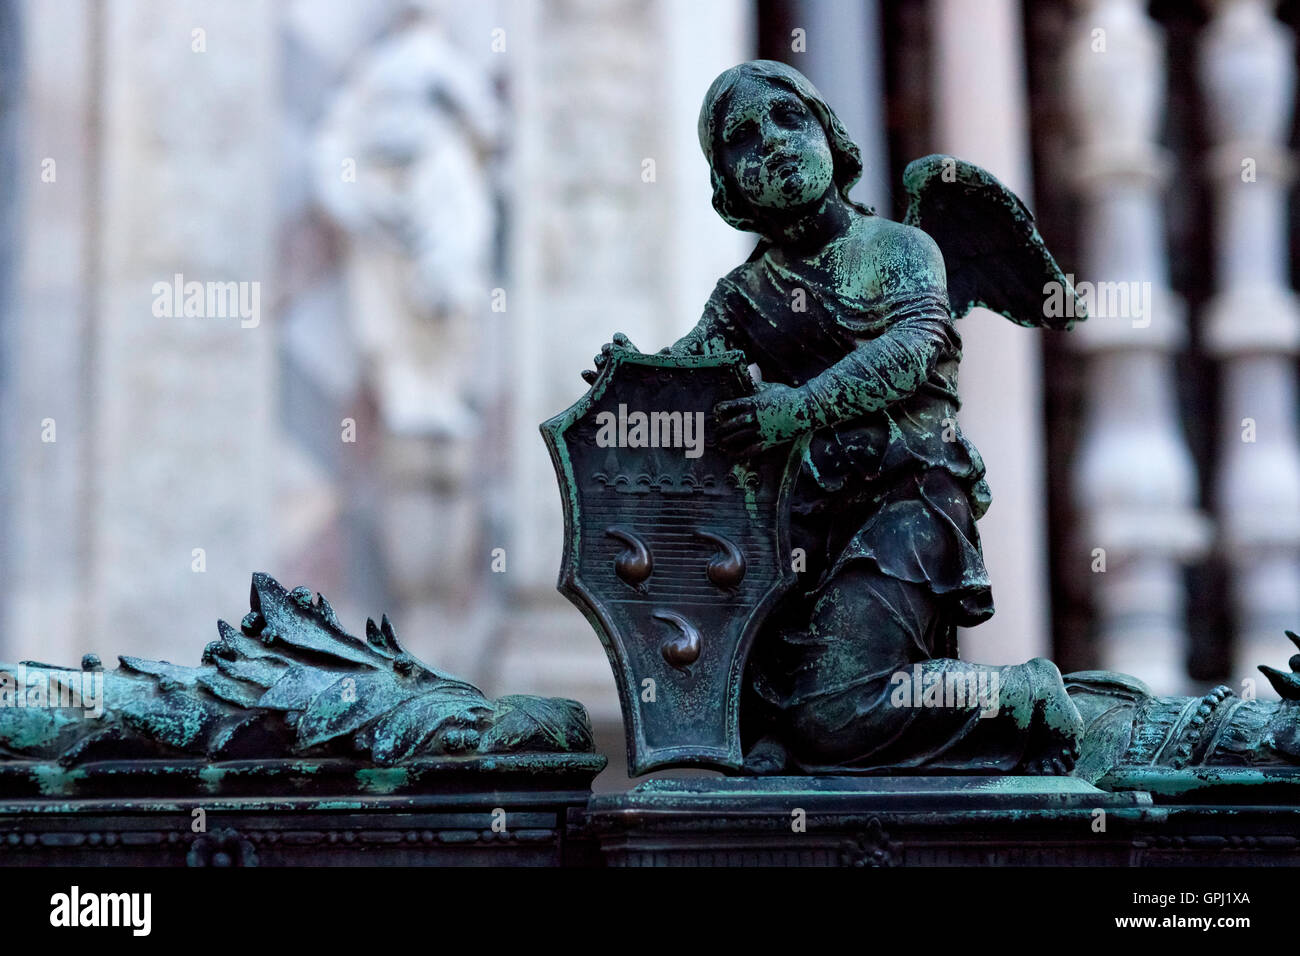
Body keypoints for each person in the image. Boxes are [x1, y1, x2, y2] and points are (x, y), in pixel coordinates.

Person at [587, 61, 1082, 774]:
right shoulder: (744, 294)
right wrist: (630, 378)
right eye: (745, 139)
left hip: (905, 507)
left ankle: (1017, 695)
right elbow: (688, 379)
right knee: (779, 702)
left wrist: (796, 409)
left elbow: (915, 347)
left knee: (837, 711)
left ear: (830, 132)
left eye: (791, 120)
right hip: (801, 525)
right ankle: (792, 732)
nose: (775, 144)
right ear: (727, 182)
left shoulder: (901, 249)